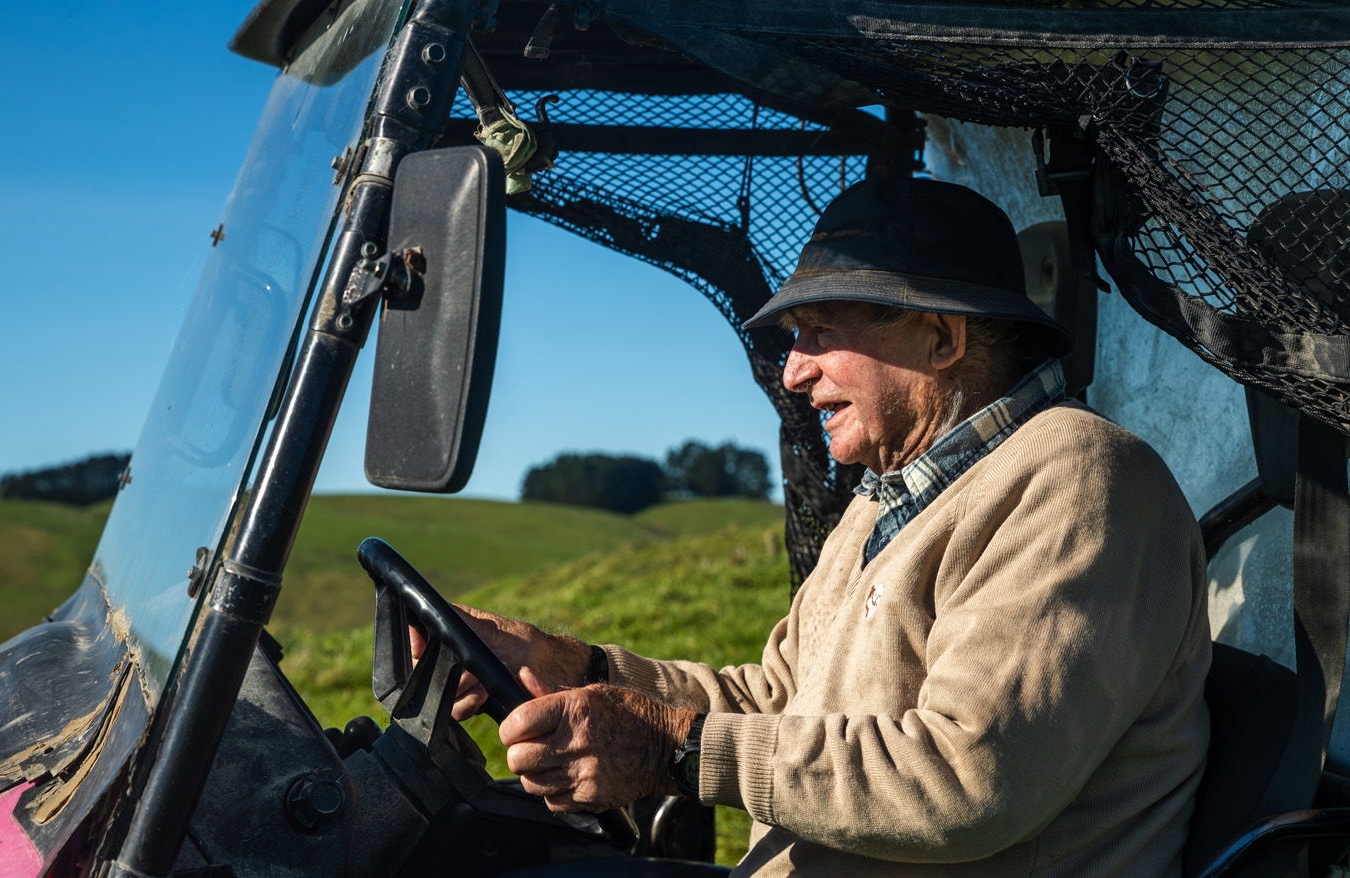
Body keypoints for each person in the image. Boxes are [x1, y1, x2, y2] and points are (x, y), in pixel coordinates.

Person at [416, 177, 1211, 875]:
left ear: (943, 337)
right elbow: (776, 699)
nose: (794, 372)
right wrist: (567, 663)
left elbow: (966, 776)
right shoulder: (884, 500)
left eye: (821, 332)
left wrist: (672, 749)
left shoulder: (1077, 476)